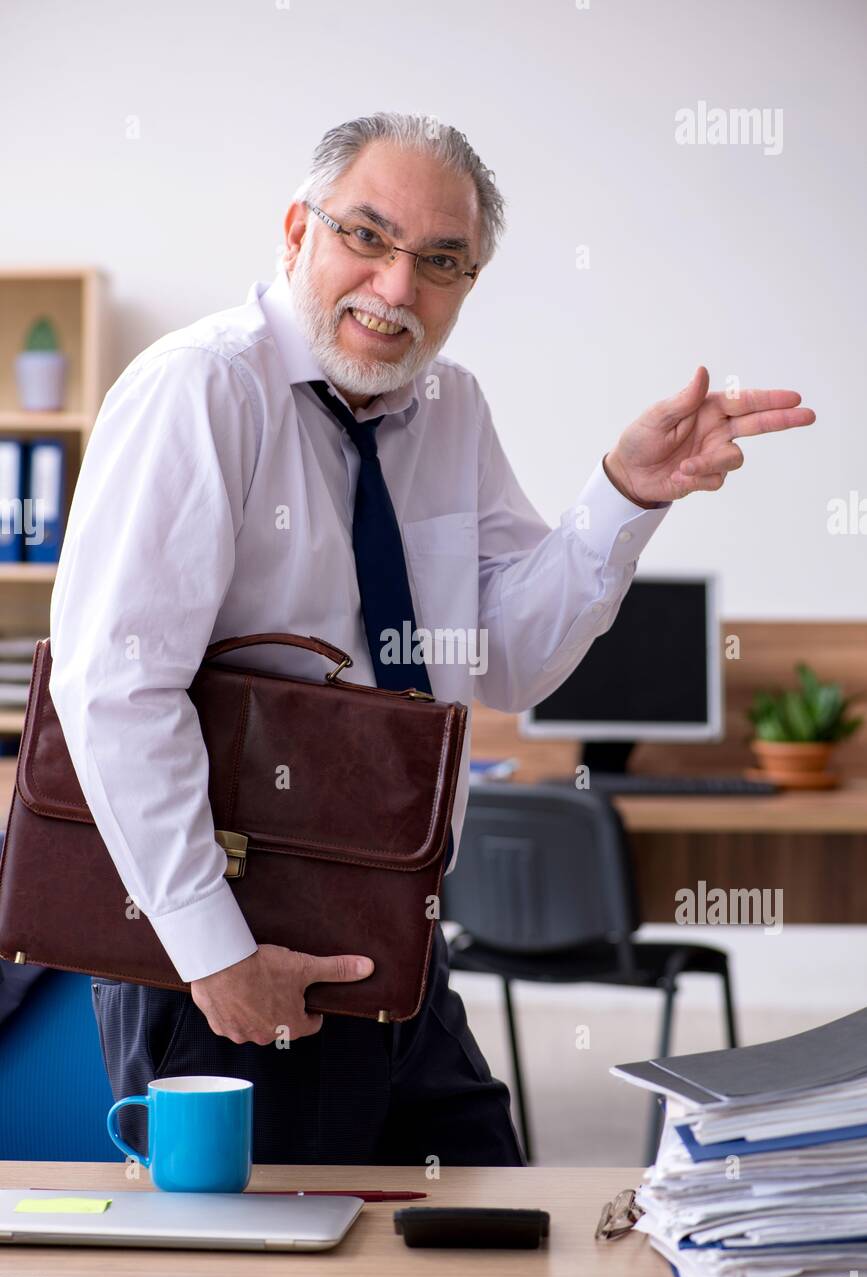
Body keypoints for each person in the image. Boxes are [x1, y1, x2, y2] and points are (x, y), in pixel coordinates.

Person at [49, 111, 815, 1166]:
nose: (398, 288)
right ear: (295, 232)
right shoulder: (200, 391)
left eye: (441, 261)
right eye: (367, 236)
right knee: (280, 1275)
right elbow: (116, 689)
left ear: (468, 283)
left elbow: (509, 653)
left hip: (402, 940)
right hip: (236, 945)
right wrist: (214, 952)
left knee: (495, 1228)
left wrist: (625, 497)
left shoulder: (450, 409)